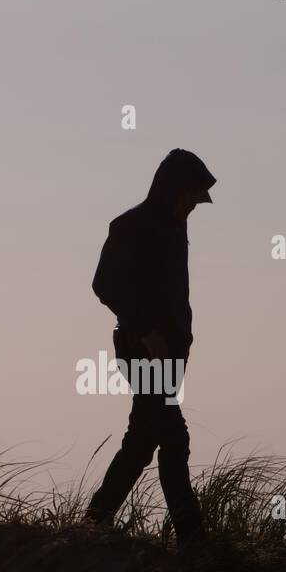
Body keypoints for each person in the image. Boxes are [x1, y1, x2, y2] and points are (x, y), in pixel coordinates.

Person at [84, 148, 217, 544]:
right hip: (141, 348)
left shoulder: (174, 229)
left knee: (143, 441)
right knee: (173, 438)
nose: (193, 206)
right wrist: (146, 333)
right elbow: (104, 285)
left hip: (170, 353)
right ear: (173, 191)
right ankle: (192, 538)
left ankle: (94, 523)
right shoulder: (130, 226)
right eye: (191, 196)